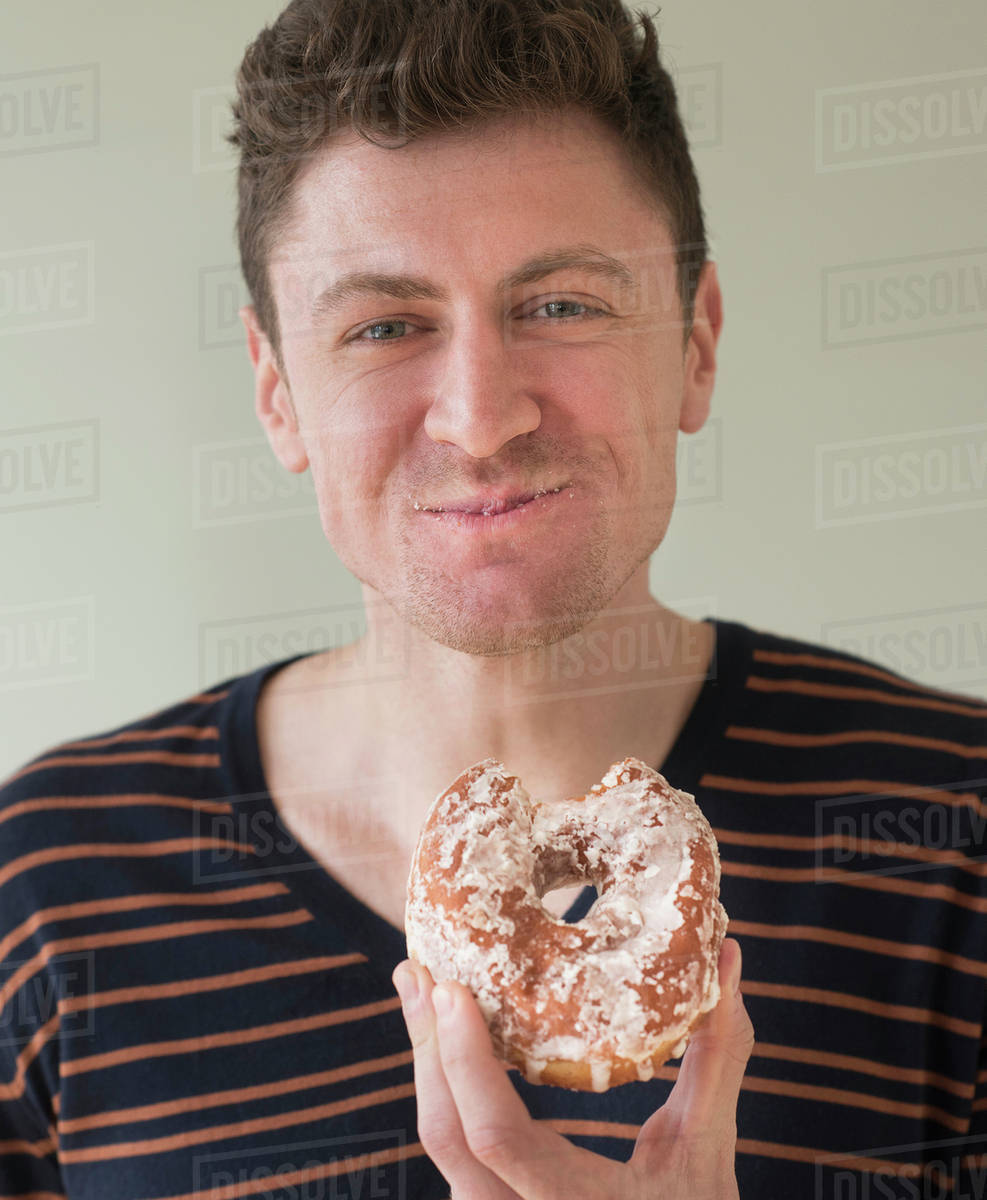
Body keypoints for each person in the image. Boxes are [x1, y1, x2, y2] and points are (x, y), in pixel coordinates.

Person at [1, 0, 984, 1197]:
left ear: (697, 343)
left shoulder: (955, 839)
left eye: (561, 304)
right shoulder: (44, 891)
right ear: (276, 393)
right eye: (384, 325)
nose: (480, 414)